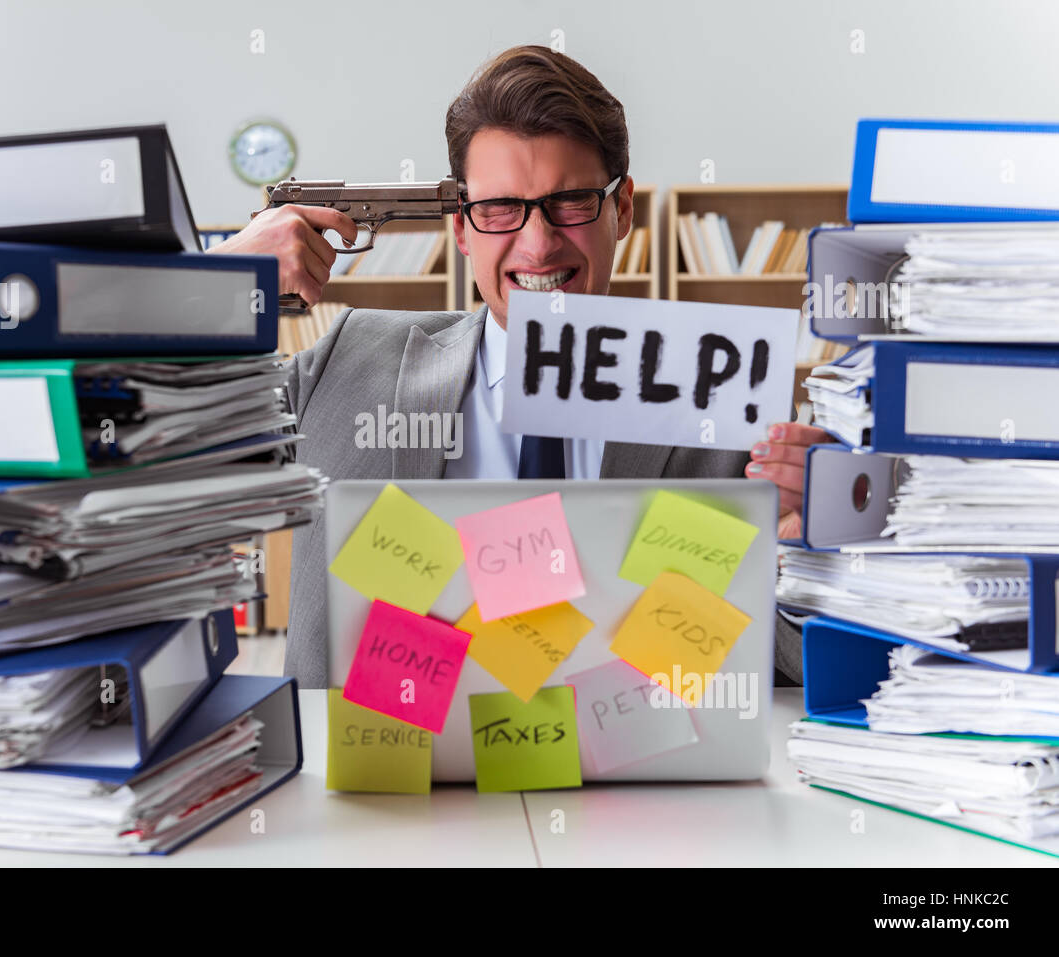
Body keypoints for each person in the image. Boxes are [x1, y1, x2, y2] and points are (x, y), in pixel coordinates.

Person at [211, 45, 829, 688]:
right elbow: (132, 441)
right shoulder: (350, 360)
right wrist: (218, 287)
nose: (538, 245)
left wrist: (811, 559)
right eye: (500, 208)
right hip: (384, 776)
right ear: (460, 227)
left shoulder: (722, 405)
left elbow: (791, 672)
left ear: (622, 211)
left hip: (629, 772)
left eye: (571, 203)